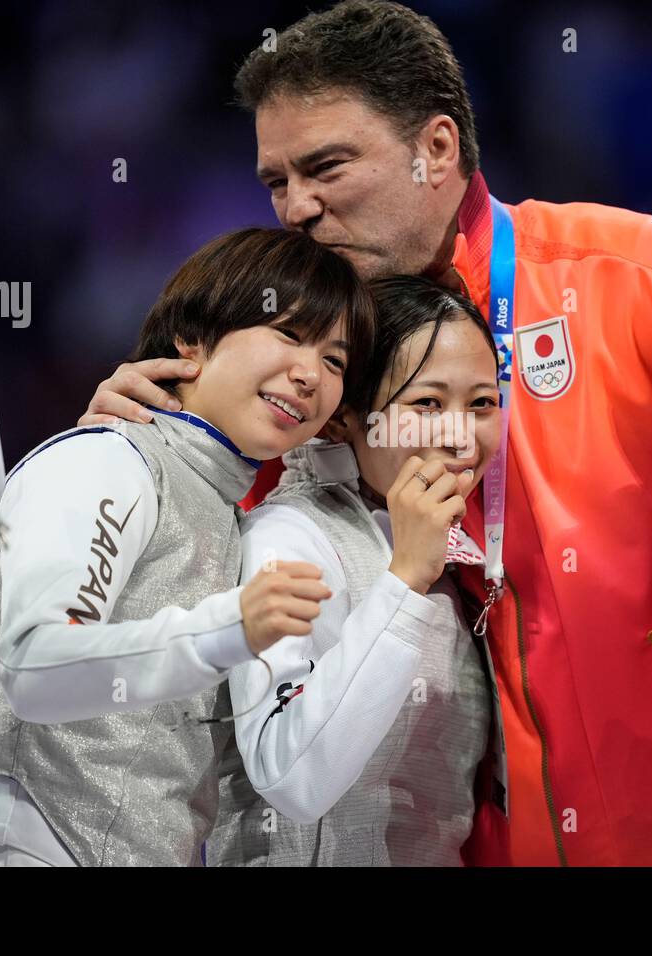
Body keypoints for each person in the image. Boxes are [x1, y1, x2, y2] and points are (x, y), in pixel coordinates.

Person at [79, 0, 652, 865]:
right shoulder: (308, 374)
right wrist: (155, 451)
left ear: (436, 149)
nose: (298, 209)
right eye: (276, 182)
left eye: (326, 167)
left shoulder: (630, 283)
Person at [0, 227, 377, 866]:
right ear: (193, 339)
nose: (310, 374)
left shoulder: (227, 515)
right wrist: (229, 627)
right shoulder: (107, 456)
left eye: (335, 361)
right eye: (288, 333)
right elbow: (35, 667)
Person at [208, 275, 494, 866]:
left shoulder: (451, 553)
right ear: (343, 421)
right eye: (427, 404)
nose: (462, 436)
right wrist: (404, 581)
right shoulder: (286, 539)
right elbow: (291, 776)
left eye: (483, 404)